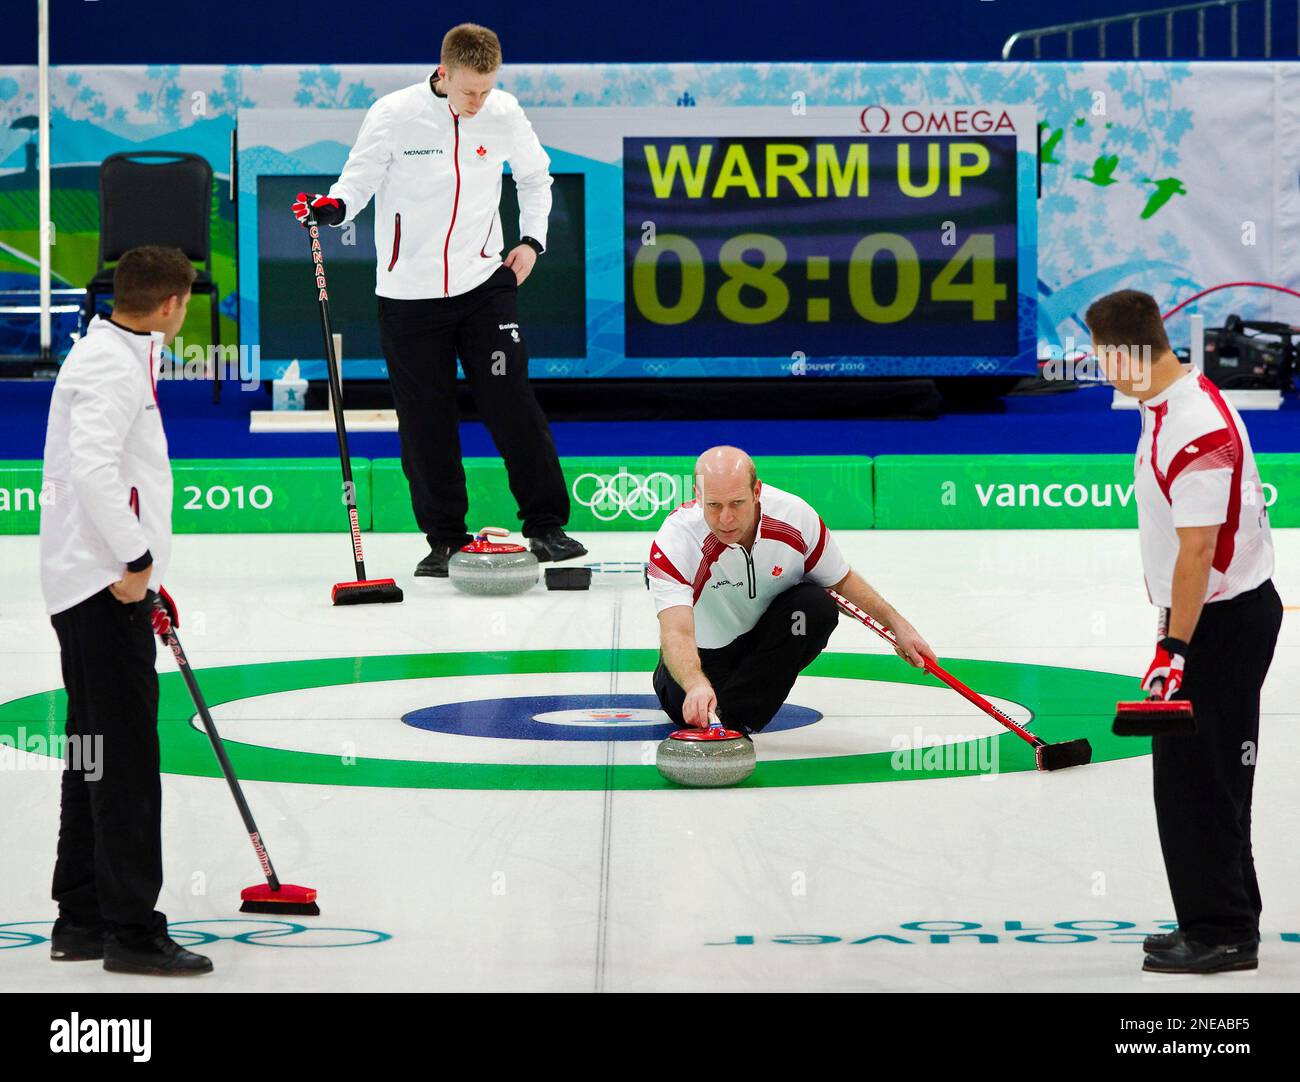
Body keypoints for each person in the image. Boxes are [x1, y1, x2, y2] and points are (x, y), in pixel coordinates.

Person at [292, 22, 585, 577]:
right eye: (470, 89)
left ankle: (546, 526)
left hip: (484, 287)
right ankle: (445, 538)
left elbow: (535, 177)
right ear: (443, 72)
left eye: (488, 88)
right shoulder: (394, 113)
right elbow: (357, 181)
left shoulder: (503, 112)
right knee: (426, 422)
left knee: (513, 405)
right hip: (408, 297)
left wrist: (532, 239)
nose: (479, 101)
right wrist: (331, 209)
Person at [1087, 289, 1282, 975]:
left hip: (1223, 622)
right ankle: (1225, 913)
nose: (1095, 366)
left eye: (1100, 354)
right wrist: (1168, 627)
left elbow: (1200, 551)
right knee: (1206, 775)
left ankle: (1222, 933)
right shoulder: (1165, 405)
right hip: (1207, 616)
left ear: (1126, 353)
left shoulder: (1193, 428)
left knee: (1198, 780)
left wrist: (1176, 648)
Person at [39, 245, 212, 975]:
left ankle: (80, 915)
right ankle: (133, 931)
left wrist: (142, 563)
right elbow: (92, 469)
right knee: (127, 766)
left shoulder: (113, 350)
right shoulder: (112, 366)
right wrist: (136, 561)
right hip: (104, 588)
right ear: (173, 305)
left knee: (91, 752)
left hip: (90, 583)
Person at [648, 446, 935, 733]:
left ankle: (735, 720)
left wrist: (899, 625)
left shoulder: (794, 517)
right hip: (700, 660)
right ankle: (719, 703)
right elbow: (676, 632)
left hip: (761, 649)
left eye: (737, 503)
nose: (726, 518)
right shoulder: (677, 539)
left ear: (757, 491)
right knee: (687, 698)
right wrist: (695, 684)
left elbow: (841, 580)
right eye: (713, 505)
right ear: (698, 497)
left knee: (815, 607)